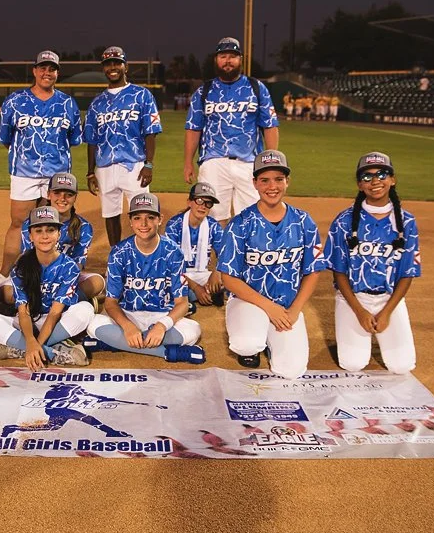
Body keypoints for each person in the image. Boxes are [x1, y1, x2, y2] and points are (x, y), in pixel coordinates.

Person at [217, 150, 327, 378]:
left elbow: (313, 270)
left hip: (288, 306)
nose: (272, 186)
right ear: (255, 183)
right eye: (265, 180)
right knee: (247, 344)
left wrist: (295, 310)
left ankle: (269, 335)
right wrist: (270, 308)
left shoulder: (304, 221)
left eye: (279, 179)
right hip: (249, 301)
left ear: (288, 181)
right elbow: (228, 277)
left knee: (292, 370)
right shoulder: (241, 223)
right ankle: (256, 334)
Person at [0, 50, 82, 290]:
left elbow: (73, 139)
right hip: (24, 172)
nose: (46, 73)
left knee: (53, 224)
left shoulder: (67, 103)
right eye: (42, 68)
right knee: (18, 222)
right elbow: (5, 138)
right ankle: (4, 274)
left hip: (57, 175)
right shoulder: (15, 101)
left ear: (57, 73)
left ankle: (51, 272)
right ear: (34, 70)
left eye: (52, 69)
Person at [323, 152, 421, 374]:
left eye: (382, 174)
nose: (375, 181)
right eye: (367, 177)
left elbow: (407, 272)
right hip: (353, 299)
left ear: (392, 179)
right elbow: (339, 273)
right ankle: (349, 333)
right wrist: (359, 311)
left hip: (389, 298)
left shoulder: (407, 221)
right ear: (359, 184)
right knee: (353, 364)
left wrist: (386, 312)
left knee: (402, 366)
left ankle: (369, 334)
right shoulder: (344, 220)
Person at [85, 193, 205, 364]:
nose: (144, 224)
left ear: (160, 219)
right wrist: (127, 327)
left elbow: (182, 303)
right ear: (131, 221)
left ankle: (115, 344)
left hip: (162, 314)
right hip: (128, 314)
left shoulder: (173, 252)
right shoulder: (119, 252)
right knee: (93, 324)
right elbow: (111, 302)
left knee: (193, 329)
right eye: (137, 217)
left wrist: (161, 326)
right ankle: (169, 353)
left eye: (150, 217)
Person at [0, 206, 94, 371]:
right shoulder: (21, 266)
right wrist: (31, 341)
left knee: (85, 310)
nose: (45, 236)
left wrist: (36, 345)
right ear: (30, 236)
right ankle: (54, 352)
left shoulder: (70, 267)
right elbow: (23, 311)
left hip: (57, 322)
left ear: (58, 234)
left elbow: (56, 312)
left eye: (50, 230)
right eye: (38, 230)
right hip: (27, 322)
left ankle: (20, 350)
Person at [184, 37, 279, 223]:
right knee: (213, 218)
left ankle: (247, 252)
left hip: (249, 163)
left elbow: (270, 126)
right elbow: (193, 129)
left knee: (253, 217)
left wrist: (271, 161)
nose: (228, 61)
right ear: (216, 60)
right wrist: (188, 162)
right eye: (223, 56)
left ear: (241, 59)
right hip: (213, 162)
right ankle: (220, 253)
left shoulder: (256, 88)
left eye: (233, 56)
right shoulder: (204, 91)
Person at [84, 46, 162, 246]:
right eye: (108, 64)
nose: (113, 67)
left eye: (117, 63)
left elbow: (150, 132)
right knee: (110, 215)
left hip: (135, 165)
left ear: (125, 66)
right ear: (104, 68)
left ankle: (145, 252)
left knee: (143, 212)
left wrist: (149, 164)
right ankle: (115, 255)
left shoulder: (141, 95)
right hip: (105, 166)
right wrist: (90, 172)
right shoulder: (97, 103)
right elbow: (92, 141)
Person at [0, 173, 105, 307]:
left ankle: (35, 304)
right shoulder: (30, 224)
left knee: (97, 282)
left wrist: (60, 284)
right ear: (48, 194)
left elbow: (78, 265)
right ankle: (70, 302)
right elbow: (28, 261)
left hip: (66, 277)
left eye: (69, 194)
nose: (63, 199)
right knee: (4, 292)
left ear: (75, 197)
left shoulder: (84, 227)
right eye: (57, 193)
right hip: (34, 276)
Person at [162, 182, 226, 316]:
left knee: (230, 278)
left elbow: (226, 254)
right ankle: (197, 295)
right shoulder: (174, 225)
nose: (203, 206)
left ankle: (192, 296)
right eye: (200, 200)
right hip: (179, 274)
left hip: (203, 274)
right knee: (164, 282)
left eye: (208, 203)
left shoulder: (213, 226)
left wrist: (217, 271)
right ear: (189, 202)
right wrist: (196, 288)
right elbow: (170, 265)